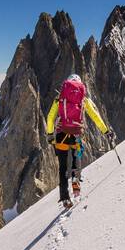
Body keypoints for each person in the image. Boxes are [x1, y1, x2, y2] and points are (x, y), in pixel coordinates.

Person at [45, 73, 113, 209]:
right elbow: (95, 115)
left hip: (61, 135)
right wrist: (105, 130)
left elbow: (50, 117)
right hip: (76, 134)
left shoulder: (59, 98)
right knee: (77, 155)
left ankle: (65, 197)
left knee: (63, 167)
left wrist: (50, 134)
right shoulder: (83, 99)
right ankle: (76, 180)